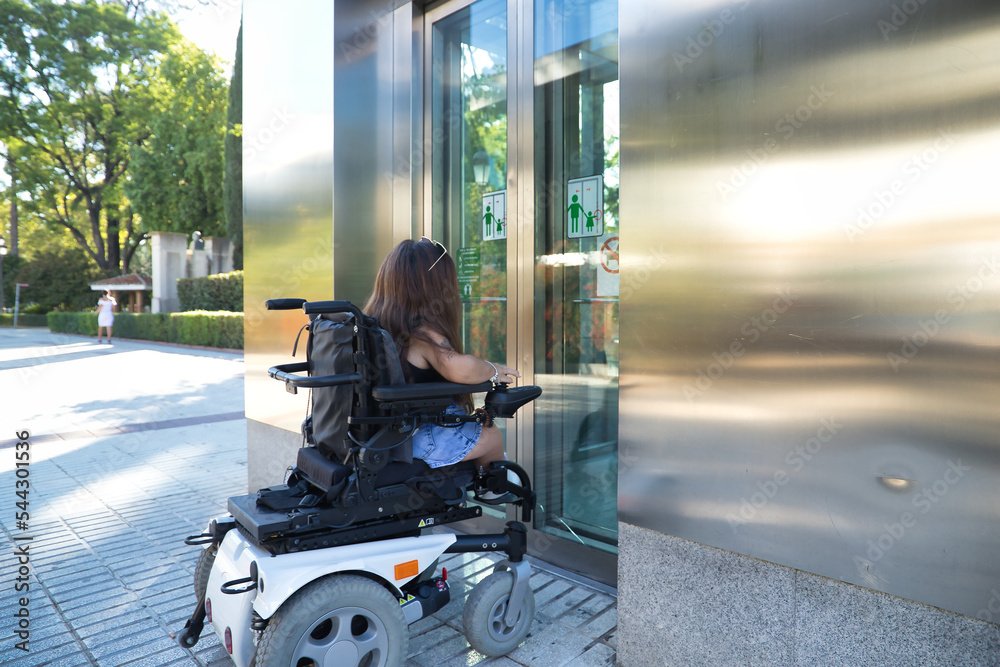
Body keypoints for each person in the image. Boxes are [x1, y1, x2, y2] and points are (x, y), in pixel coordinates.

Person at [364, 237, 520, 472]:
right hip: (418, 438)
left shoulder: (373, 326)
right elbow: (463, 369)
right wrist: (493, 370)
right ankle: (494, 488)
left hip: (385, 436)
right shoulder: (422, 334)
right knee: (491, 437)